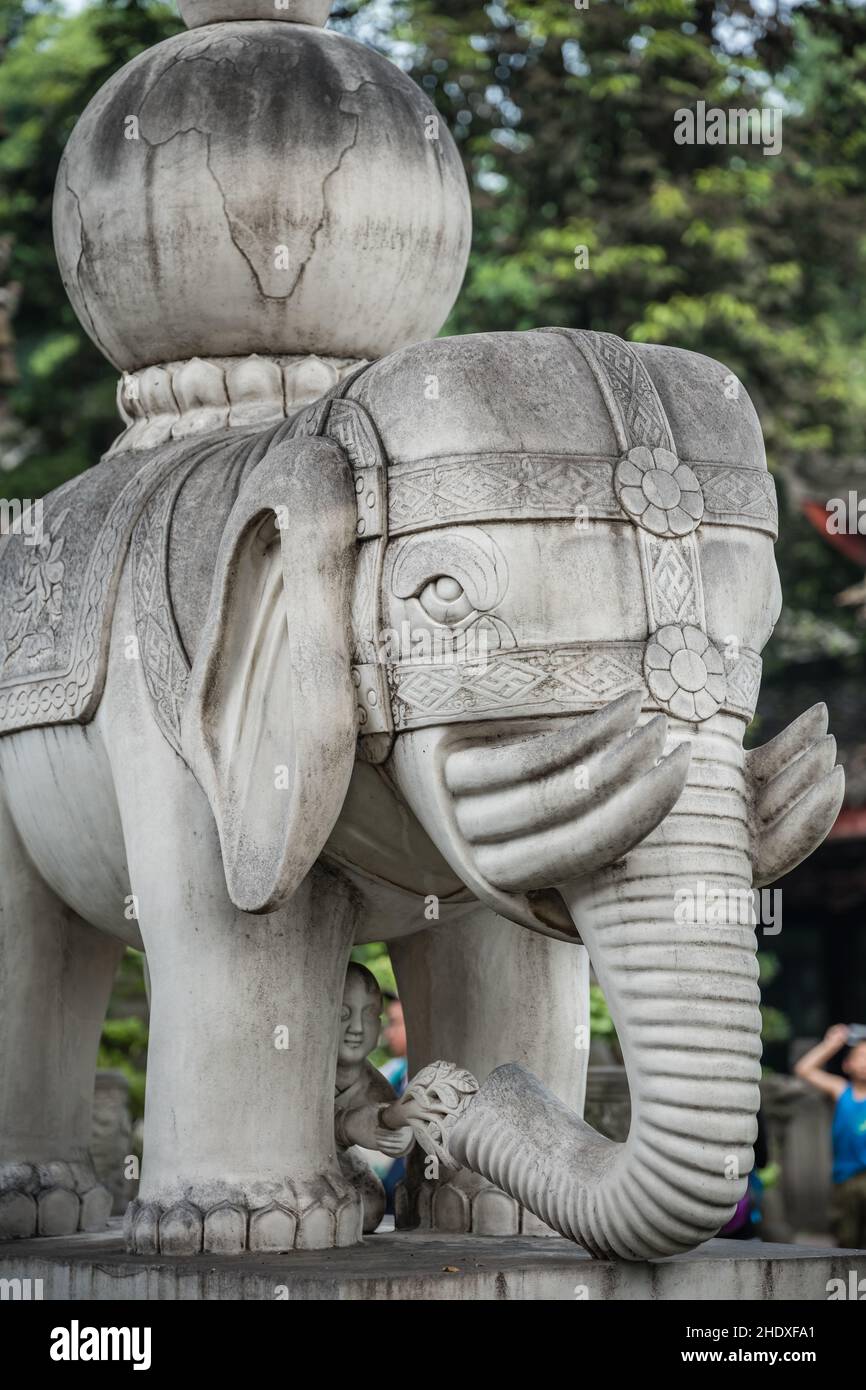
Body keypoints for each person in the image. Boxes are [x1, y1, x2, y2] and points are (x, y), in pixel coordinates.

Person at [334, 964, 414, 1232]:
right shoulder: (305, 1069)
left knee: (370, 1206)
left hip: (342, 1166)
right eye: (343, 1014)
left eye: (368, 1015)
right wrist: (345, 1127)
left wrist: (401, 1135)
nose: (356, 1028)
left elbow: (391, 1117)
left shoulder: (371, 1079)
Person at [794, 1024, 866, 1248]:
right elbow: (804, 1069)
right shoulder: (841, 1090)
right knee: (847, 1242)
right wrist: (831, 1044)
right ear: (847, 1064)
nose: (865, 1062)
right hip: (845, 1178)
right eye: (861, 1056)